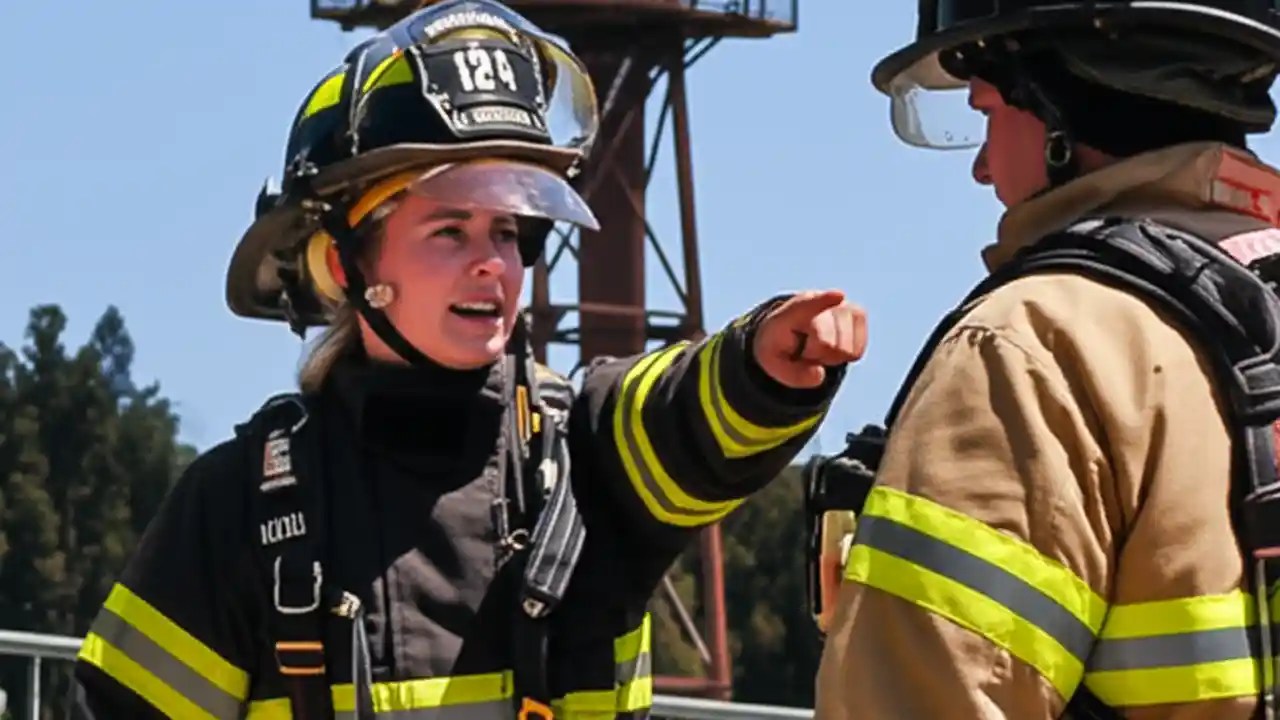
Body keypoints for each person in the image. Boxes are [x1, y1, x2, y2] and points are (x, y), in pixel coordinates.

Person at [67, 1, 867, 718]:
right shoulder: (239, 506)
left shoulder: (587, 453)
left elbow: (684, 415)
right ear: (349, 267)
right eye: (448, 232)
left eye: (509, 234)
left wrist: (762, 366)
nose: (491, 264)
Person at [810, 1, 1280, 719]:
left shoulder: (1035, 343)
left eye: (988, 109)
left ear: (1060, 116)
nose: (979, 166)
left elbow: (923, 695)